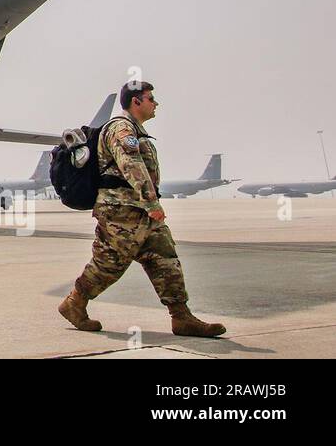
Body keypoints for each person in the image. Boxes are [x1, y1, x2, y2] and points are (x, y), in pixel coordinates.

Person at [59, 81, 226, 338]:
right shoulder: (121, 128)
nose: (155, 103)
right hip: (121, 212)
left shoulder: (136, 131)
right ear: (135, 102)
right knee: (109, 265)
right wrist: (151, 202)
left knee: (165, 259)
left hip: (140, 212)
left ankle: (181, 317)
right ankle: (74, 303)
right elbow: (131, 165)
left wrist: (148, 207)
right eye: (150, 98)